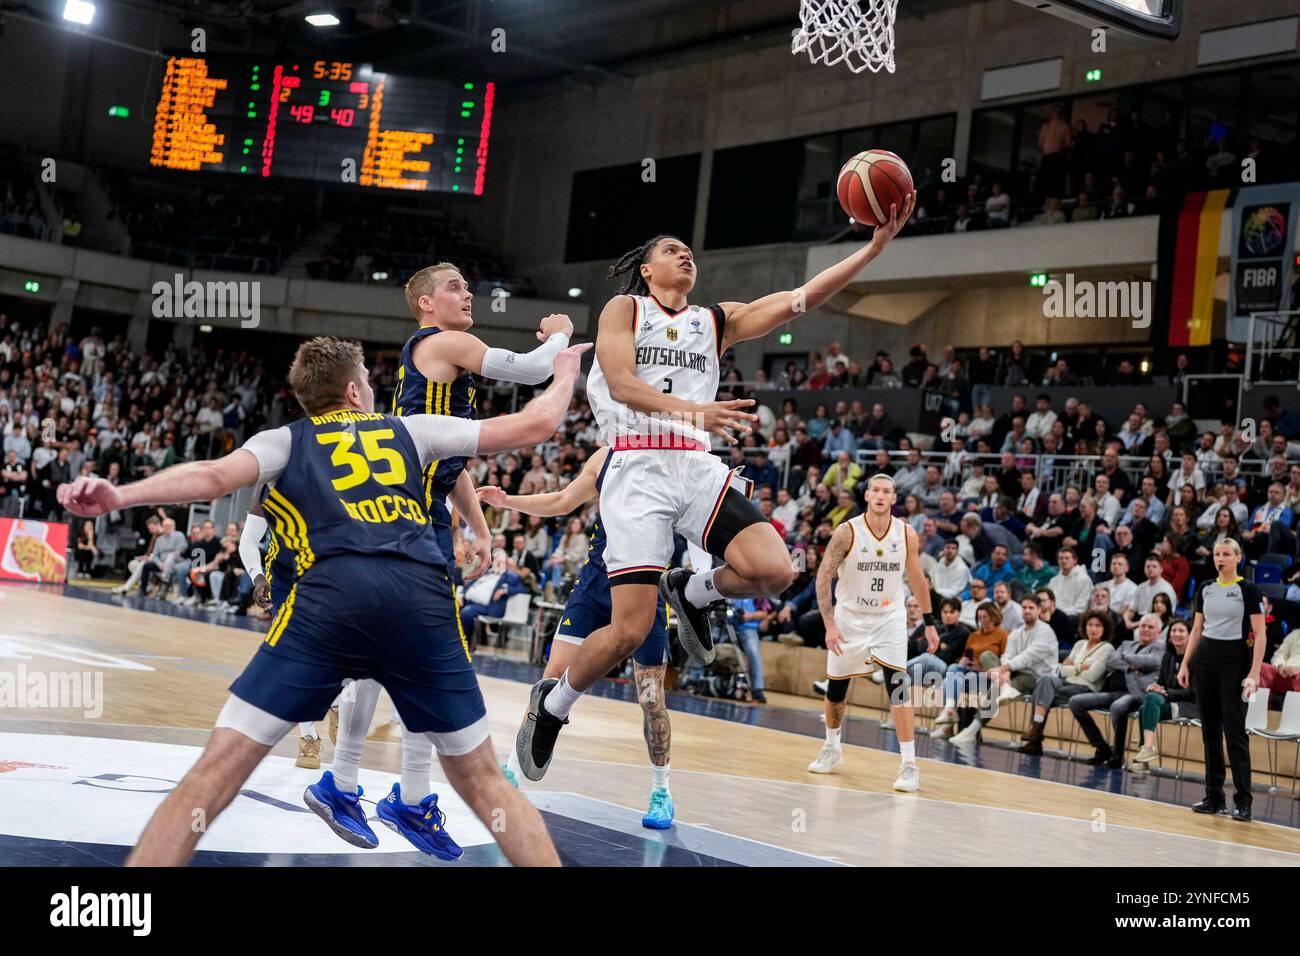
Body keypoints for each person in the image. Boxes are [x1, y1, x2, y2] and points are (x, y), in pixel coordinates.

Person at [57, 335, 590, 866]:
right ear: (356, 392)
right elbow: (534, 426)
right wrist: (564, 372)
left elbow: (213, 477)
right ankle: (394, 793)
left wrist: (120, 495)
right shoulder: (410, 428)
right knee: (486, 783)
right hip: (420, 603)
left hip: (332, 602)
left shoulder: (283, 441)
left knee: (212, 776)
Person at [520, 201, 914, 781]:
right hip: (637, 467)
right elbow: (625, 385)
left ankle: (695, 590)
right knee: (630, 630)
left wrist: (873, 250)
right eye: (672, 250)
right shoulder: (623, 308)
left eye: (691, 252)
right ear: (648, 269)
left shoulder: (713, 319)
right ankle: (552, 707)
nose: (686, 256)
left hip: (695, 465)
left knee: (776, 570)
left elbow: (800, 299)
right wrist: (694, 410)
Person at [321, 262, 575, 844]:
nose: (468, 295)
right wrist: (558, 334)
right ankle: (368, 786)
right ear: (426, 305)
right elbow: (533, 371)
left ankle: (396, 793)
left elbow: (448, 455)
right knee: (413, 653)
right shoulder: (444, 343)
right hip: (400, 511)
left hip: (424, 509)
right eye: (455, 287)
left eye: (468, 286)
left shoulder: (440, 373)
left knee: (412, 654)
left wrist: (479, 528)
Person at [478, 447, 679, 826]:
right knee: (549, 683)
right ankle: (513, 772)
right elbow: (561, 500)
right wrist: (509, 501)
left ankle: (661, 791)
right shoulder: (606, 456)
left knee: (651, 698)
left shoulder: (675, 461)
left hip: (644, 591)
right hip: (595, 586)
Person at [806, 473, 937, 791]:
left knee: (898, 684)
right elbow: (823, 577)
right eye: (875, 490)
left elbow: (917, 579)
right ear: (866, 496)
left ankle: (909, 765)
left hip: (888, 617)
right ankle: (832, 747)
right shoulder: (847, 532)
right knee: (836, 688)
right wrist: (830, 624)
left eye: (887, 491)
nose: (880, 495)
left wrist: (931, 623)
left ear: (894, 499)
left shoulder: (906, 534)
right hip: (849, 617)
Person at [1178, 539, 1267, 821]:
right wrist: (1185, 665)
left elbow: (1260, 634)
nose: (1220, 558)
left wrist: (1254, 673)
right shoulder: (1205, 588)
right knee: (1210, 733)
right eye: (1217, 554)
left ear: (1238, 558)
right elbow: (1196, 629)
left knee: (1235, 732)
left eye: (1226, 554)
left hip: (1236, 661)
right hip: (1206, 659)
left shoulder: (1249, 590)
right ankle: (1214, 796)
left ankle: (1243, 801)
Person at [1068, 613, 1166, 767]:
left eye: (1150, 627)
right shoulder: (1128, 644)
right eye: (1143, 626)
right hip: (1113, 691)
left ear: (1159, 632)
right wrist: (1134, 665)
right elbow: (1110, 661)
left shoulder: (1161, 648)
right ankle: (1101, 746)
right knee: (1075, 702)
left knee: (1118, 706)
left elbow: (1150, 661)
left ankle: (1117, 755)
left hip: (1136, 693)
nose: (1145, 629)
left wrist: (1124, 657)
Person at [1017, 609, 1115, 755]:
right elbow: (1060, 670)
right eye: (1090, 625)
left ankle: (1035, 736)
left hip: (1085, 689)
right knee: (1045, 680)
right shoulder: (1079, 644)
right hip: (1066, 684)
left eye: (1098, 626)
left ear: (1104, 629)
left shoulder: (1107, 648)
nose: (1093, 629)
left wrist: (1072, 667)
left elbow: (1093, 676)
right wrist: (1080, 667)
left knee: (1041, 693)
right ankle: (1035, 732)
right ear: (1085, 626)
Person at [1126, 618, 1197, 772]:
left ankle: (1147, 749)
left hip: (1190, 706)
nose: (1176, 634)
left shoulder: (1196, 659)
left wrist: (1164, 692)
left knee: (1150, 701)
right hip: (1170, 701)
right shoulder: (1168, 656)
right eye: (1173, 630)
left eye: (1181, 631)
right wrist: (1155, 687)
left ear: (1190, 635)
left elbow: (1194, 692)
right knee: (1146, 707)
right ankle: (1145, 755)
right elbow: (1162, 684)